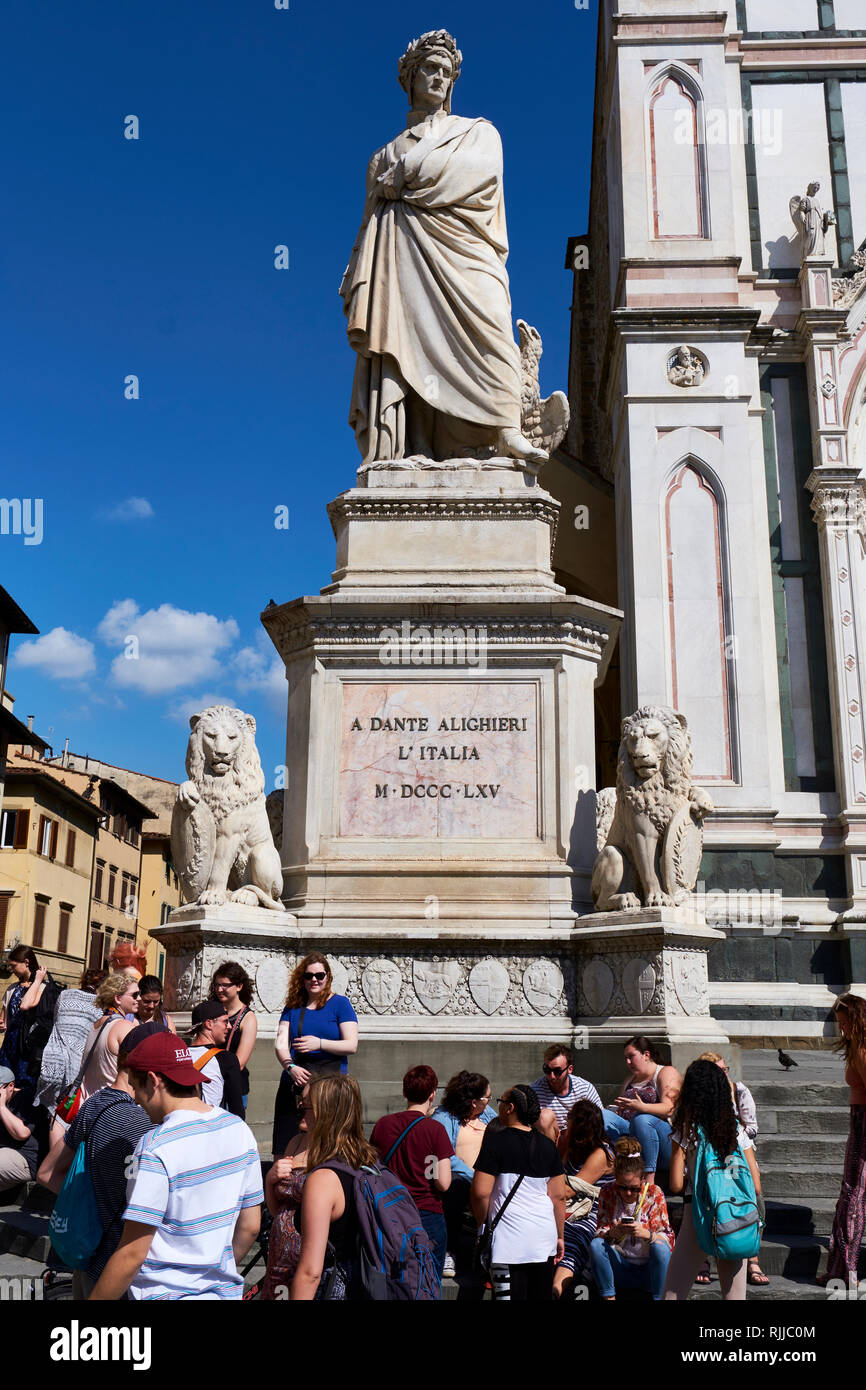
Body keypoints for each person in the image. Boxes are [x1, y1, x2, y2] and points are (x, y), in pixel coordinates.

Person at [341, 28, 546, 468]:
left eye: (446, 73)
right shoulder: (381, 157)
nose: (438, 78)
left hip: (468, 251)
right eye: (429, 70)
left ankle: (504, 428)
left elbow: (479, 174)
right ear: (411, 78)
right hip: (403, 258)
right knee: (406, 338)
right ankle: (415, 445)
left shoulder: (477, 133)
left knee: (493, 329)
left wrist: (406, 176)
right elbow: (369, 225)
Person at [89, 1030, 263, 1301]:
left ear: (153, 1080)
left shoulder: (155, 1146)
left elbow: (133, 1251)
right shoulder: (239, 1129)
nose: (135, 1099)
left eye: (135, 1087)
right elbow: (250, 1226)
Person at [37, 1029, 154, 1298]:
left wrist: (89, 1208)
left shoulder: (95, 1103)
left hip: (88, 1254)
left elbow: (45, 1173)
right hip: (120, 1269)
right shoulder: (140, 1121)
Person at [663, 1058, 761, 1301]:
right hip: (736, 1216)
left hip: (696, 1215)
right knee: (735, 1296)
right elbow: (756, 1185)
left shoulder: (688, 1129)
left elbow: (675, 1184)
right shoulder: (737, 1129)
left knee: (673, 1293)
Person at [471, 1083, 567, 1301]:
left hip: (507, 1243)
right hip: (543, 1239)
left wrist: (483, 1225)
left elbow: (480, 1193)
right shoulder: (548, 1145)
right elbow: (558, 1197)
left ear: (510, 1107)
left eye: (501, 1102)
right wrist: (560, 1236)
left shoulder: (494, 1142)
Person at [291, 1073, 378, 1300]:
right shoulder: (368, 1162)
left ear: (324, 1114)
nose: (300, 1107)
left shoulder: (324, 1179)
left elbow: (311, 1272)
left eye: (306, 1105)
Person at [371, 1064, 454, 1280]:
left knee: (393, 1281)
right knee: (427, 1282)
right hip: (426, 1214)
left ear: (404, 1092)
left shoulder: (383, 1125)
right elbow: (443, 1183)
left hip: (389, 1212)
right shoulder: (435, 1130)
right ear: (432, 1094)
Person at [272, 953, 358, 1156]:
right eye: (309, 976)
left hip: (328, 1084)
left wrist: (319, 1043)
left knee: (328, 1142)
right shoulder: (293, 1007)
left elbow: (351, 1045)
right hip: (296, 1080)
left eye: (319, 975)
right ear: (301, 979)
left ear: (328, 977)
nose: (314, 980)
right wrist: (290, 1067)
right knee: (285, 1144)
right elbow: (281, 1044)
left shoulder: (340, 1004)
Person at [697, 1050, 766, 1286]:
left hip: (735, 1155)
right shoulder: (697, 1122)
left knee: (755, 1199)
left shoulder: (738, 1091)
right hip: (717, 1165)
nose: (723, 1075)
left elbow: (752, 1127)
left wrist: (731, 1138)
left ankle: (751, 1255)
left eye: (725, 1070)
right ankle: (708, 1257)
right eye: (719, 1071)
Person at [590, 1137, 674, 1301]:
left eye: (634, 1189)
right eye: (623, 1187)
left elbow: (668, 1239)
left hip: (650, 1269)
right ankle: (609, 1297)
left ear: (643, 1180)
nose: (628, 1193)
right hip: (622, 1265)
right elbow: (599, 1230)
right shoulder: (608, 1192)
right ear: (616, 1179)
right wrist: (611, 1233)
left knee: (660, 1247)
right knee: (597, 1245)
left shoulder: (654, 1193)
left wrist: (647, 1234)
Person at [432, 1070, 497, 1275]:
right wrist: (475, 1177)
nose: (490, 1101)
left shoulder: (487, 1114)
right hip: (463, 1178)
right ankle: (448, 1251)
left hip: (491, 1176)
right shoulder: (444, 1117)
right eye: (487, 1097)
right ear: (473, 1102)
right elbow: (445, 1156)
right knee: (455, 1186)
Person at [821, 993, 866, 1287]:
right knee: (851, 1194)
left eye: (844, 1022)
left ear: (856, 1019)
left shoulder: (862, 1049)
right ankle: (841, 1267)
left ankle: (846, 1269)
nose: (841, 1028)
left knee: (853, 1195)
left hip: (864, 1122)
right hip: (859, 1120)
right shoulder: (855, 1046)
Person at [554, 1098, 615, 1300]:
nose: (566, 1120)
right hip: (568, 1205)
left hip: (593, 1210)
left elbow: (569, 1189)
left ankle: (556, 1290)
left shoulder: (601, 1153)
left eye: (570, 1118)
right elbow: (557, 1175)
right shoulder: (572, 1145)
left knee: (572, 1235)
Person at [604, 1035, 681, 1182]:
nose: (627, 1062)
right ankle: (616, 1160)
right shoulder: (629, 1079)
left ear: (646, 1055)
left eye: (631, 1056)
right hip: (632, 1135)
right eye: (625, 1058)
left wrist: (642, 1107)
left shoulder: (665, 1072)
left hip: (665, 1140)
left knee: (642, 1119)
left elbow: (669, 1108)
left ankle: (648, 1176)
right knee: (603, 1115)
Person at [262, 1085, 313, 1301]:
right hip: (279, 1255)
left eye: (306, 1102)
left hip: (307, 1261)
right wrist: (271, 1179)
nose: (299, 1105)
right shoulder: (296, 1142)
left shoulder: (335, 1154)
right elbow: (278, 1210)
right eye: (298, 1100)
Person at [36, 967, 104, 1127]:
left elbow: (56, 1021)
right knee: (65, 1114)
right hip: (76, 1062)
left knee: (50, 1111)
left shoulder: (64, 994)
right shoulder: (99, 1006)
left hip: (52, 1057)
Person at [1, 946, 62, 1101]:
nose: (11, 969)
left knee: (24, 1085)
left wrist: (38, 980)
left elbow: (25, 1004)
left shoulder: (42, 988)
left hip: (28, 1045)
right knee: (3, 1082)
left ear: (26, 962)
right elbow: (4, 1017)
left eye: (14, 966)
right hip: (10, 1043)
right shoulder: (11, 989)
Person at [80, 973, 140, 1102]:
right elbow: (138, 1069)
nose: (139, 998)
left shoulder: (96, 1025)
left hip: (90, 1105)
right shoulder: (123, 1027)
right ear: (117, 998)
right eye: (135, 995)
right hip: (114, 1105)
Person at [531, 1044, 607, 1140]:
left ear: (570, 1069)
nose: (551, 1076)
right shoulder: (535, 1091)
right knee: (545, 1116)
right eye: (547, 1070)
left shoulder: (584, 1088)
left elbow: (601, 1119)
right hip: (549, 1142)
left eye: (557, 1071)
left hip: (579, 1141)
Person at [210, 962, 257, 1110]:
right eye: (216, 985)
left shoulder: (248, 1018)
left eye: (225, 985)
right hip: (209, 1085)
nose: (219, 989)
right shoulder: (210, 1010)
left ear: (239, 986)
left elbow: (240, 1063)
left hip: (233, 1088)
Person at [187, 1001, 245, 1118]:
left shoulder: (180, 1055)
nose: (229, 1026)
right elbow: (236, 1109)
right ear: (209, 1024)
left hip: (180, 1128)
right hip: (210, 1127)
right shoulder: (226, 1059)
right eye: (225, 1021)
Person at [0, 1065, 43, 1193]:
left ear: (11, 1086)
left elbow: (22, 1133)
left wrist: (1, 1106)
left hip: (24, 1157)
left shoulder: (27, 1098)